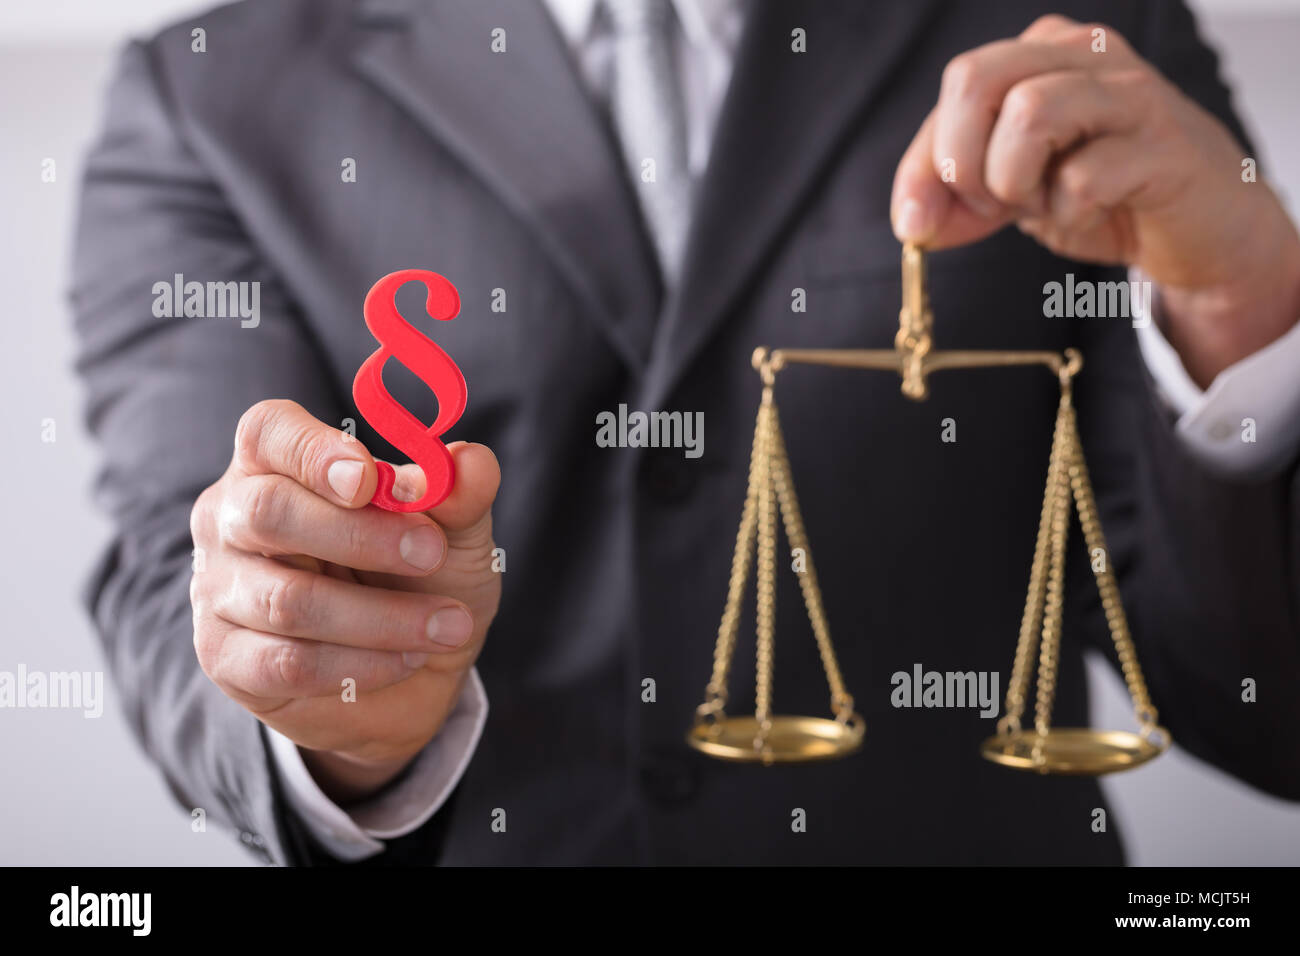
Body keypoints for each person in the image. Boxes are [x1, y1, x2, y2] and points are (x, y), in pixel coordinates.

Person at [71, 0, 1300, 866]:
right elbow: (176, 577)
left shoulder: (1080, 32)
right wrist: (331, 721)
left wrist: (1240, 301)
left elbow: (1268, 704)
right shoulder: (209, 96)